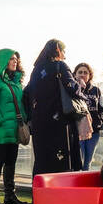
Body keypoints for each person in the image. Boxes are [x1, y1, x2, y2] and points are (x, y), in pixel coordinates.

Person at [26, 39, 83, 175]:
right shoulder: (60, 66)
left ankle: (40, 194)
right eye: (63, 51)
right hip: (59, 124)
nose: (64, 55)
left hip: (40, 124)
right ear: (58, 50)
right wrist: (80, 84)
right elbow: (73, 89)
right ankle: (61, 195)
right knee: (62, 161)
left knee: (42, 162)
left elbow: (27, 93)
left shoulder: (36, 70)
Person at [0, 48, 30, 204]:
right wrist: (0, 120)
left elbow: (21, 105)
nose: (15, 61)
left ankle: (10, 196)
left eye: (16, 59)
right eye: (11, 59)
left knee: (11, 162)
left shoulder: (17, 82)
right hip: (1, 130)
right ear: (3, 62)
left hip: (14, 130)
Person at [73, 61, 103, 170]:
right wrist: (79, 87)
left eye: (85, 72)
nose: (82, 74)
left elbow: (101, 108)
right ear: (75, 74)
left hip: (94, 131)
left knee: (88, 161)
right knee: (79, 159)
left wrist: (99, 121)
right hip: (79, 131)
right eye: (80, 72)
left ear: (89, 75)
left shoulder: (96, 90)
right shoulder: (73, 89)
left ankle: (84, 184)